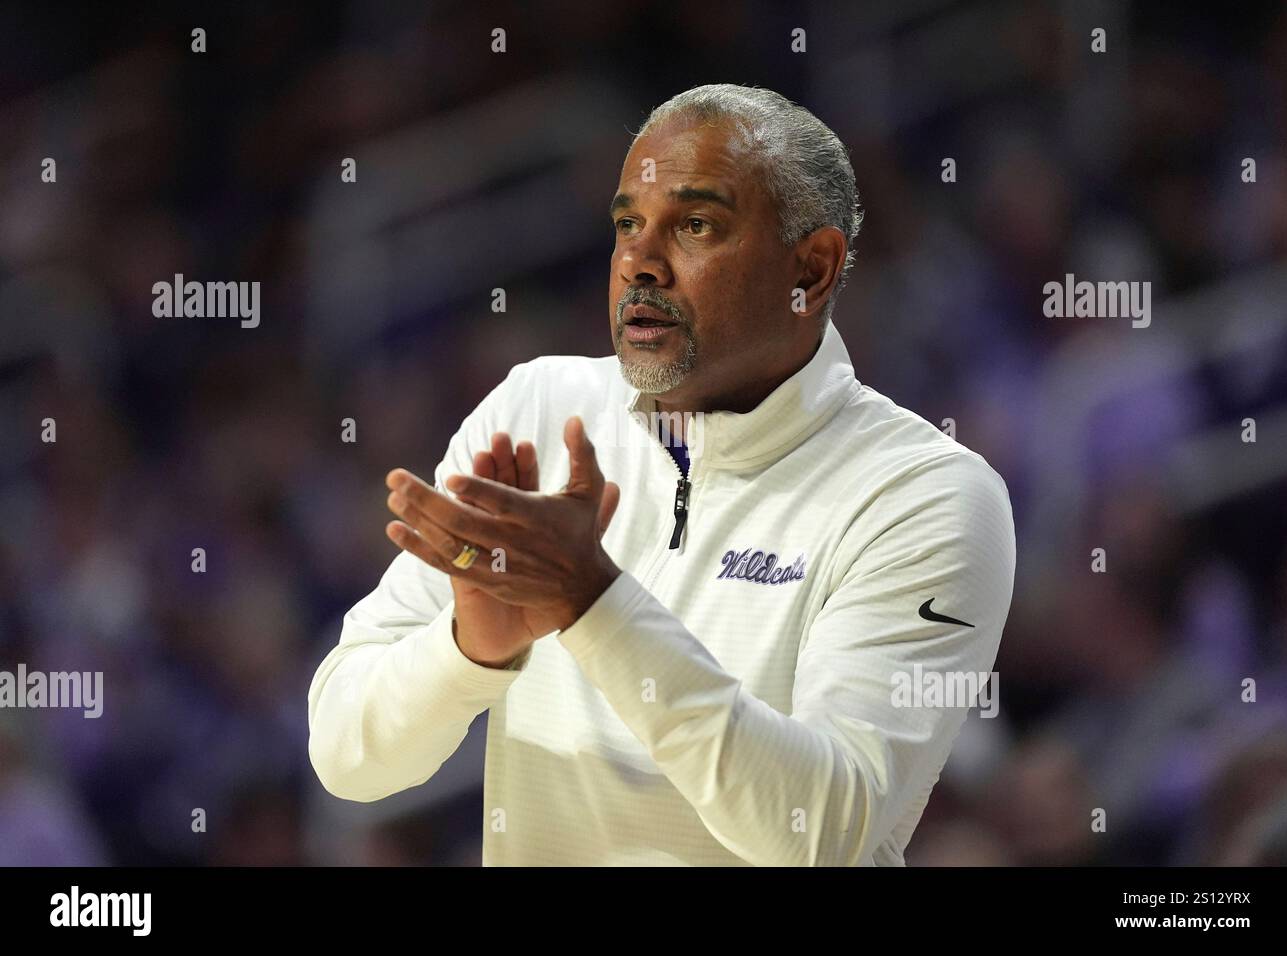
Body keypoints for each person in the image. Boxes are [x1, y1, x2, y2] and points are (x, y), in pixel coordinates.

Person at [307, 84, 1016, 866]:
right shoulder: (539, 409)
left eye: (696, 225)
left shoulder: (924, 496)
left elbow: (823, 830)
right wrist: (468, 647)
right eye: (627, 225)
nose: (640, 264)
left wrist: (592, 603)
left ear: (811, 271)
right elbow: (346, 757)